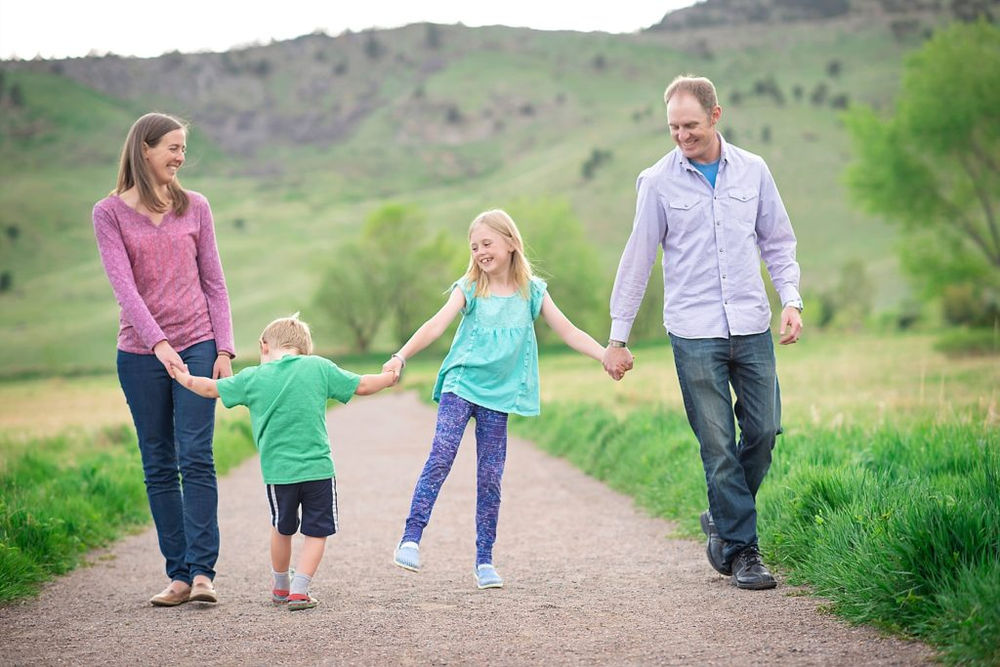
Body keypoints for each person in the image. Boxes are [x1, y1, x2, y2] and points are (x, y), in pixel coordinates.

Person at [602, 75, 803, 590]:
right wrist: (618, 337)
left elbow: (777, 241)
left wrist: (792, 301)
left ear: (716, 116)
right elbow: (638, 259)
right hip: (693, 331)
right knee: (717, 443)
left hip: (752, 323)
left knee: (762, 432)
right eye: (673, 127)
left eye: (690, 125)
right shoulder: (657, 182)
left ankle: (722, 516)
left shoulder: (754, 171)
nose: (681, 136)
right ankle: (742, 551)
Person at [383, 209, 608, 589]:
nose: (480, 252)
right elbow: (436, 324)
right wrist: (400, 356)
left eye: (487, 243)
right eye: (474, 247)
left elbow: (568, 331)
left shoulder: (533, 292)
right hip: (461, 384)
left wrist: (604, 354)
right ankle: (411, 537)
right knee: (441, 456)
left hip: (498, 396)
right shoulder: (470, 287)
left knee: (491, 477)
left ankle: (484, 560)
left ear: (510, 243)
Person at [93, 112, 235, 607]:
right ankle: (177, 574)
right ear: (145, 149)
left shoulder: (196, 207)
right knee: (158, 461)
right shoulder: (108, 213)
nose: (179, 157)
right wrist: (157, 344)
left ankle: (202, 574)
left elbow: (214, 282)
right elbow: (124, 288)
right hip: (139, 353)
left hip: (196, 341)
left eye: (182, 149)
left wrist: (223, 348)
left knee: (195, 455)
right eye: (172, 148)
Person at [171, 314, 398, 610]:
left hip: (278, 473)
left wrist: (182, 376)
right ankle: (300, 590)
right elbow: (364, 386)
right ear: (305, 350)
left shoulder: (253, 377)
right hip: (318, 469)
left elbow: (209, 389)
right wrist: (390, 377)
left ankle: (281, 587)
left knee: (282, 528)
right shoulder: (318, 367)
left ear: (264, 346)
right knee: (317, 531)